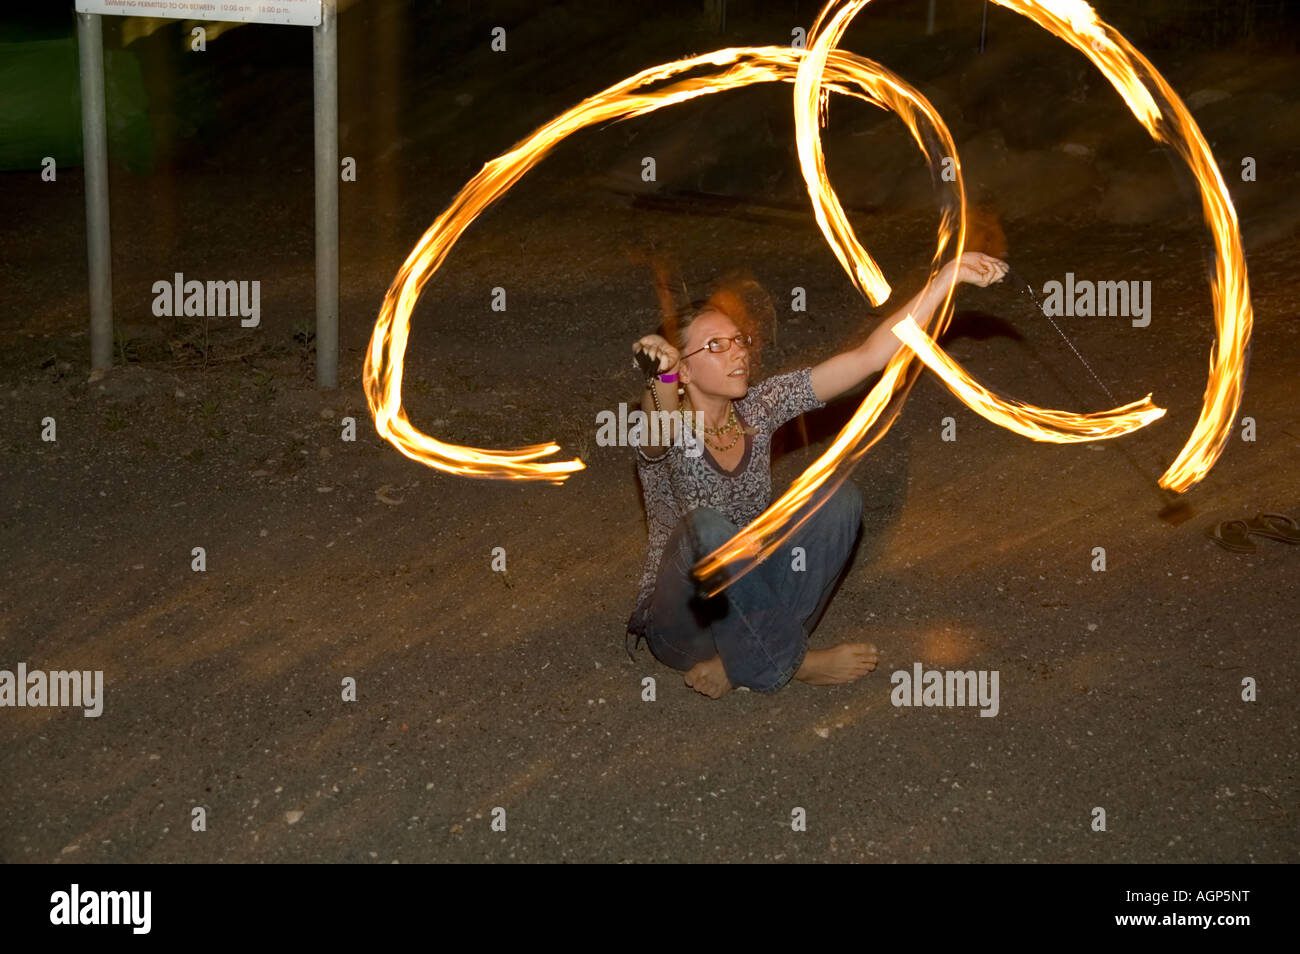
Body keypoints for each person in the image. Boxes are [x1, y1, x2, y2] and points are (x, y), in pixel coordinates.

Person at [626, 251, 1009, 698]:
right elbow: (658, 425)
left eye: (739, 341)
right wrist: (663, 377)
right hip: (685, 626)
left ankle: (745, 659)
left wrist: (947, 278)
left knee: (837, 497)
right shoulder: (664, 426)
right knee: (706, 528)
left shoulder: (762, 403)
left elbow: (870, 355)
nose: (738, 354)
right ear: (684, 368)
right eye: (716, 346)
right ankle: (797, 662)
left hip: (756, 604)